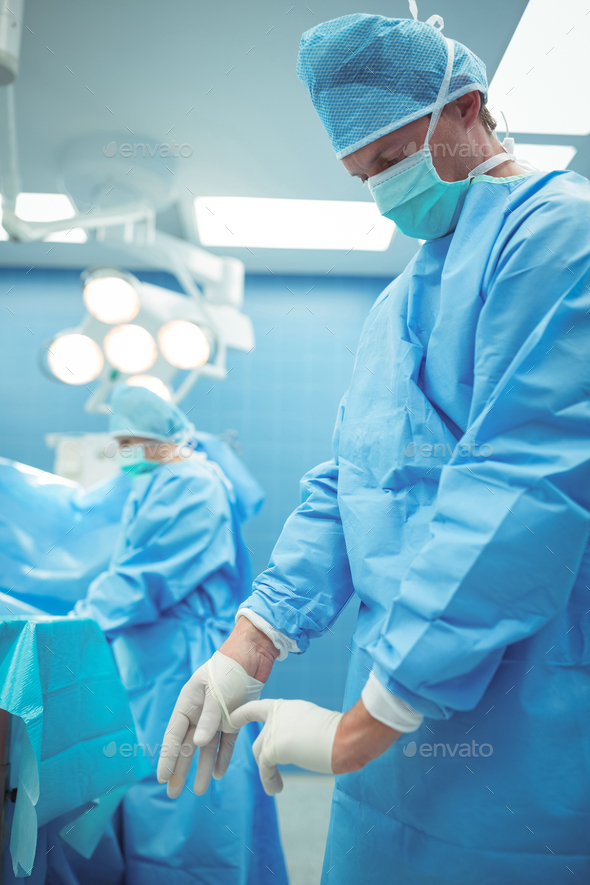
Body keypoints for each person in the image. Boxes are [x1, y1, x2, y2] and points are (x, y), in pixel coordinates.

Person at [159, 8, 590, 885]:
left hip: (521, 726)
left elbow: (522, 490)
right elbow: (351, 482)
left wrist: (361, 724)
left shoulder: (560, 241)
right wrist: (256, 636)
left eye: (394, 160)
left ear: (468, 107)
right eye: (363, 175)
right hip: (391, 725)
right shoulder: (402, 299)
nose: (384, 189)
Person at [73, 384, 287, 885]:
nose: (123, 451)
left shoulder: (191, 483)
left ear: (157, 436)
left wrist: (81, 622)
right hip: (154, 664)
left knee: (186, 788)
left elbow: (147, 574)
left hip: (181, 663)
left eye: (130, 440)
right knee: (154, 782)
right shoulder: (160, 480)